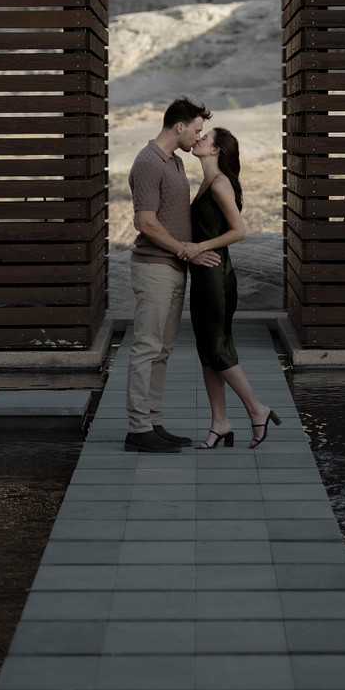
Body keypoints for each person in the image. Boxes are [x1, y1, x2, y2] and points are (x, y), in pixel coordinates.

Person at [124, 96, 220, 453]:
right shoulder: (149, 162)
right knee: (147, 348)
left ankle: (152, 422)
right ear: (179, 126)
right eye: (196, 130)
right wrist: (184, 249)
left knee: (161, 350)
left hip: (174, 268)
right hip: (154, 267)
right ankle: (137, 429)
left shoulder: (175, 162)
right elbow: (145, 222)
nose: (198, 137)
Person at [188, 126, 281, 450]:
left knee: (217, 349)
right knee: (206, 351)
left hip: (216, 276)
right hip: (203, 276)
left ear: (216, 150)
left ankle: (257, 409)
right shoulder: (206, 182)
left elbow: (238, 230)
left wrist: (199, 247)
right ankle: (220, 423)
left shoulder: (220, 183)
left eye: (205, 138)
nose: (198, 139)